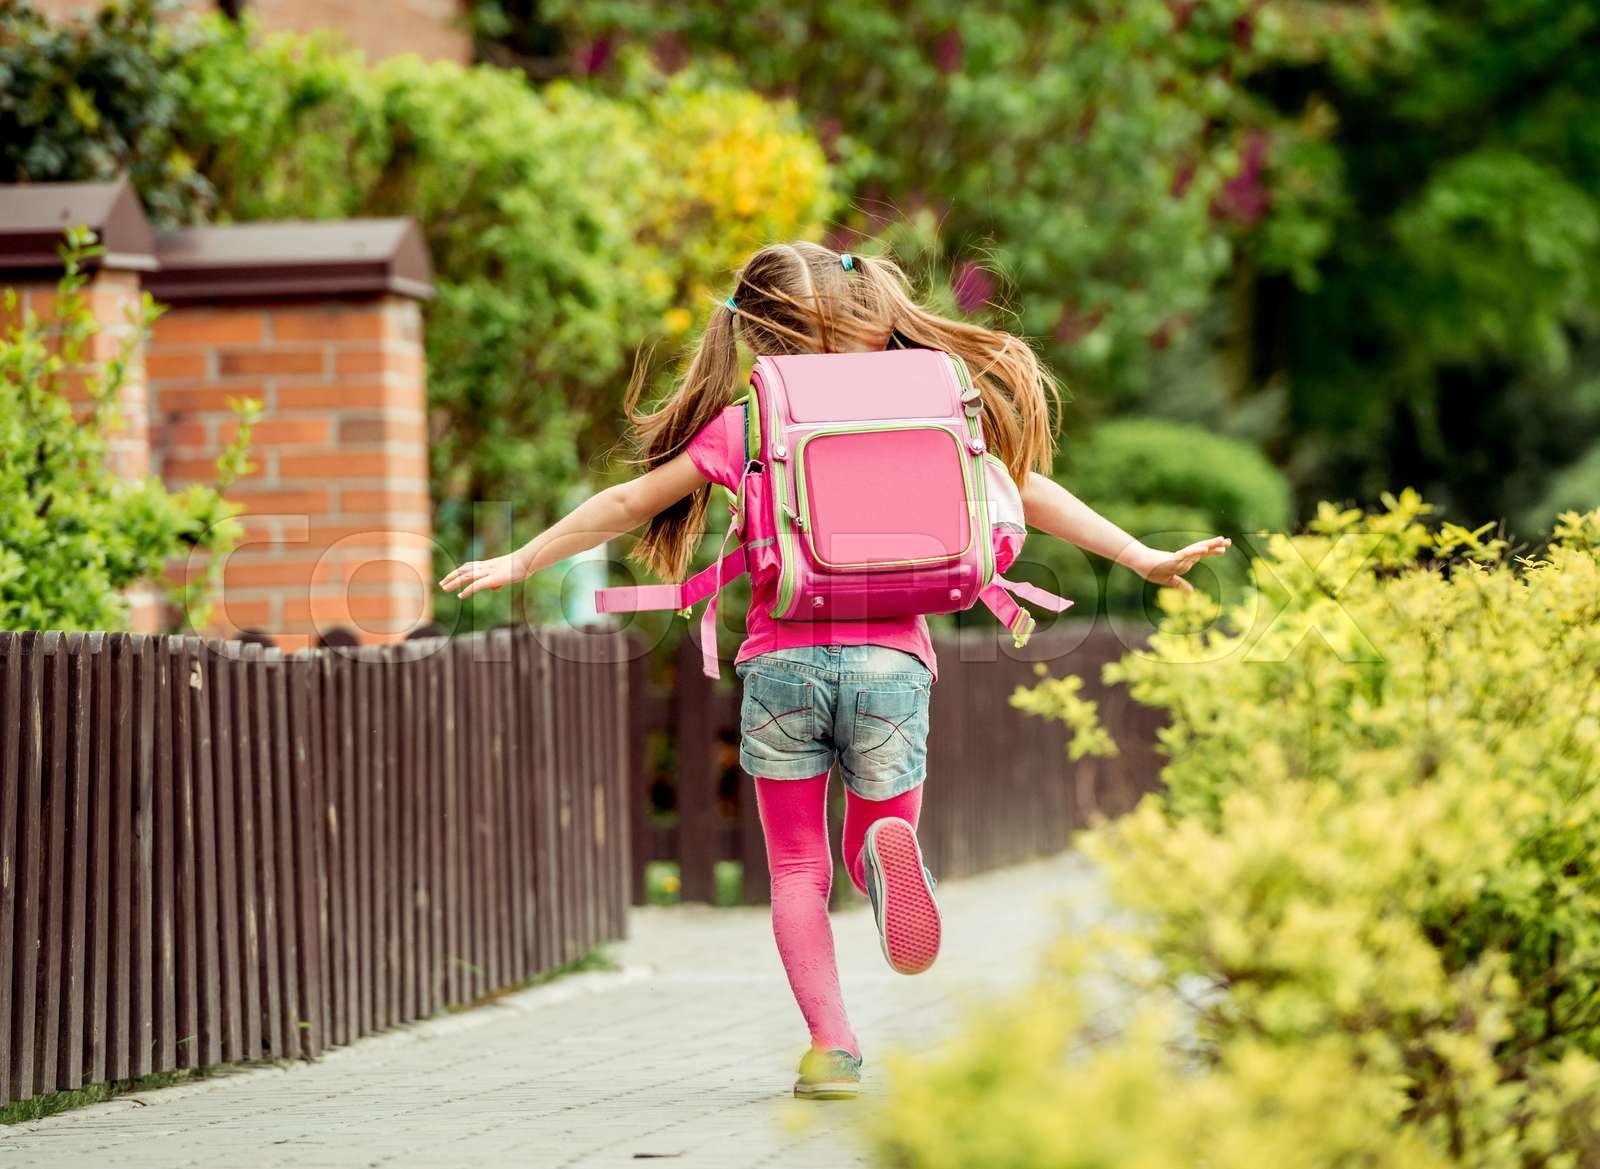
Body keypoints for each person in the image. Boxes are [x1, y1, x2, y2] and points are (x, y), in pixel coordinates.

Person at [439, 242, 1229, 1099]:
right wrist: (1139, 555)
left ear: (761, 342)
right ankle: (887, 855)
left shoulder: (747, 421)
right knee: (872, 839)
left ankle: (833, 1045)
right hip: (893, 661)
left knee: (793, 869)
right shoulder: (932, 407)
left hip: (783, 663)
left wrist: (523, 557)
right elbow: (1027, 489)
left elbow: (630, 502)